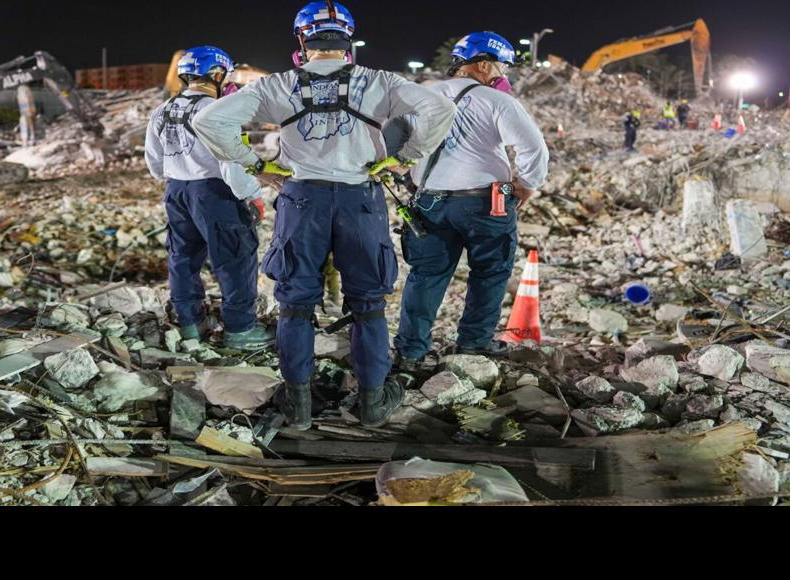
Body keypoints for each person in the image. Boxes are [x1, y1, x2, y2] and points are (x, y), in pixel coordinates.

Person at [191, 2, 457, 428]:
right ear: (348, 39)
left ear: (303, 40)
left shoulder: (278, 86)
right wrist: (406, 157)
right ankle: (372, 403)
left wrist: (255, 165)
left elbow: (208, 120)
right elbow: (440, 109)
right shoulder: (379, 82)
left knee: (295, 304)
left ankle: (298, 406)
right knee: (368, 303)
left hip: (301, 201)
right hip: (361, 201)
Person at [391, 31, 549, 367]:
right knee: (490, 271)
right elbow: (533, 147)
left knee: (426, 274)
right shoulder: (498, 101)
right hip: (485, 203)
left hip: (429, 201)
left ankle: (410, 352)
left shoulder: (422, 96)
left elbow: (392, 140)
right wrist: (526, 184)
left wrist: (408, 174)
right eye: (501, 66)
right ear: (483, 64)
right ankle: (473, 345)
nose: (503, 74)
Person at [145, 45, 270, 348]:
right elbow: (231, 161)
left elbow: (154, 163)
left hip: (177, 190)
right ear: (216, 74)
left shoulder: (162, 110)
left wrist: (180, 171)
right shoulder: (218, 110)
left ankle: (190, 324)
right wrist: (252, 194)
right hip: (214, 192)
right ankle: (240, 329)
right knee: (235, 257)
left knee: (183, 257)